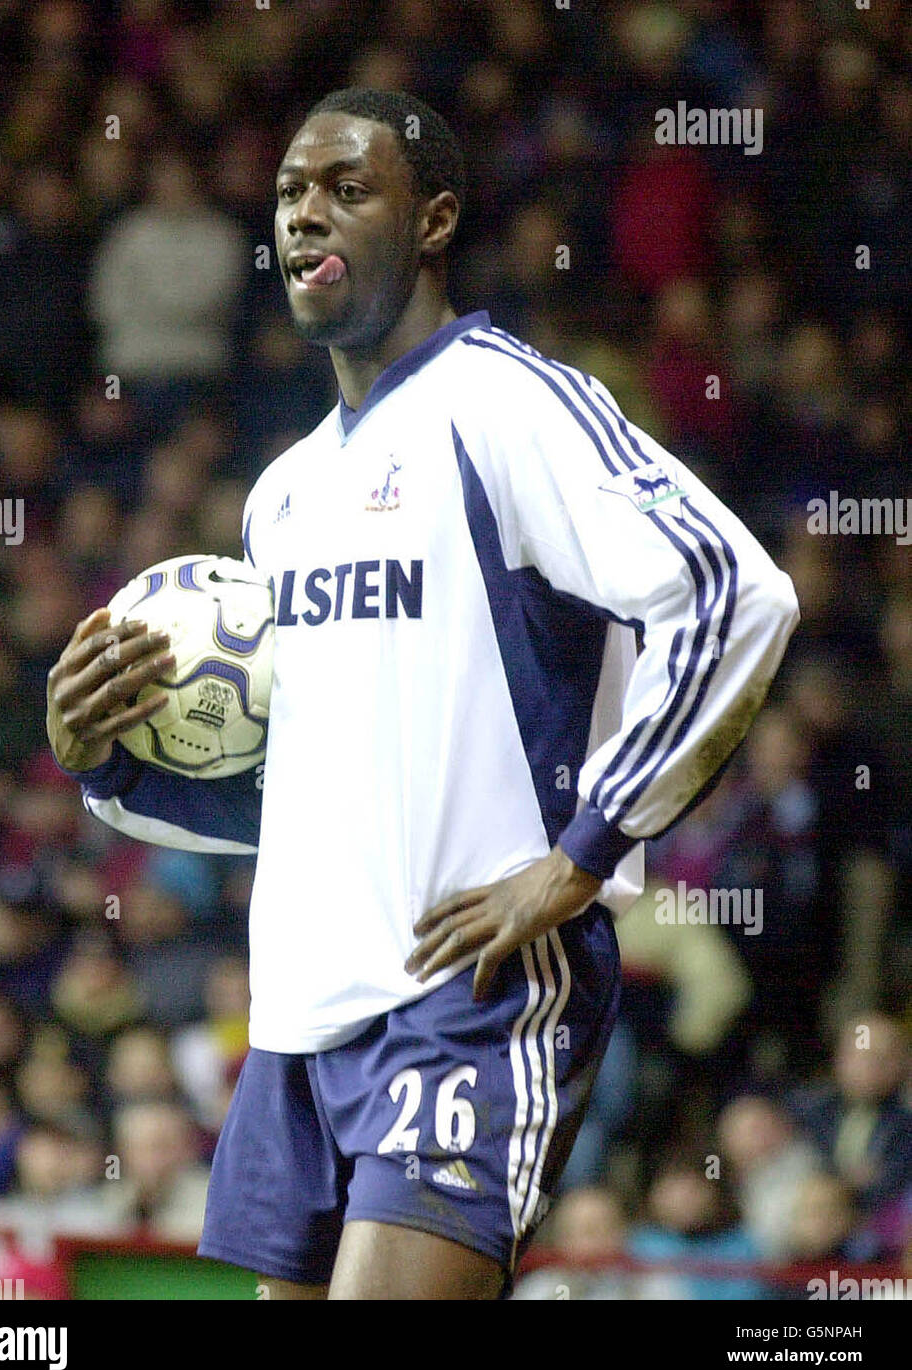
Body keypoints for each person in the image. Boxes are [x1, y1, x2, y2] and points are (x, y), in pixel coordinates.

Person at [46, 88, 799, 1299]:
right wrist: (106, 761)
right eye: (291, 191)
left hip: (468, 993)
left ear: (436, 217)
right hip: (295, 1023)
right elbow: (299, 790)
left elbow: (731, 592)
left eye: (348, 187)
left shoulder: (504, 403)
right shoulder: (281, 495)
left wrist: (586, 850)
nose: (305, 214)